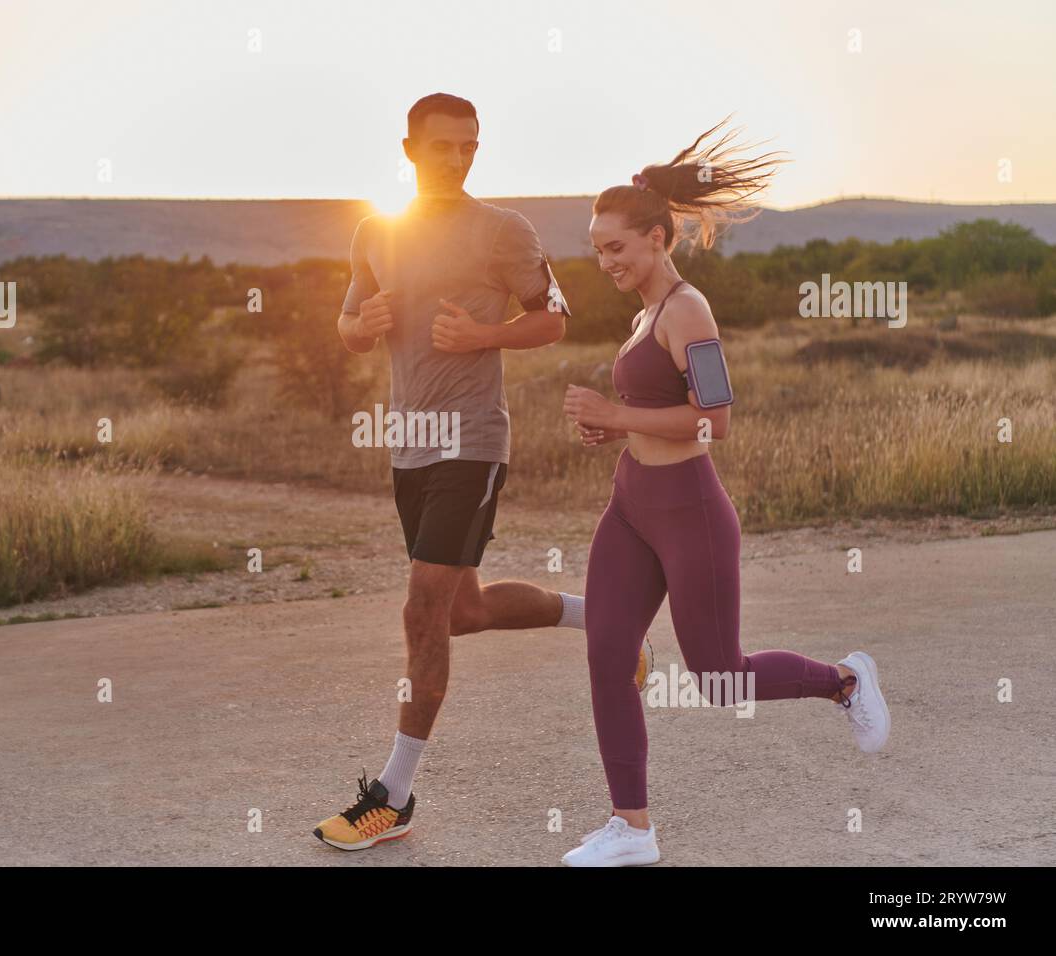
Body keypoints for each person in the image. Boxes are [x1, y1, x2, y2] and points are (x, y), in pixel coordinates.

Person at [560, 120, 892, 867]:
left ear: (656, 238)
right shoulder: (643, 315)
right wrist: (617, 432)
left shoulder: (686, 310)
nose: (603, 260)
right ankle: (632, 829)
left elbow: (717, 423)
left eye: (615, 246)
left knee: (715, 676)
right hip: (631, 505)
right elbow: (658, 416)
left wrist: (616, 413)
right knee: (608, 654)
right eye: (596, 247)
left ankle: (842, 680)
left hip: (689, 514)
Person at [314, 92, 615, 851]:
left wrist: (484, 333)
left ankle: (393, 796)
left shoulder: (503, 230)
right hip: (409, 443)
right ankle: (607, 619)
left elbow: (552, 320)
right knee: (462, 612)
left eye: (469, 145)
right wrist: (362, 327)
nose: (457, 157)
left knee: (421, 608)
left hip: (471, 441)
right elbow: (348, 324)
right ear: (410, 148)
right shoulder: (374, 231)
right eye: (443, 145)